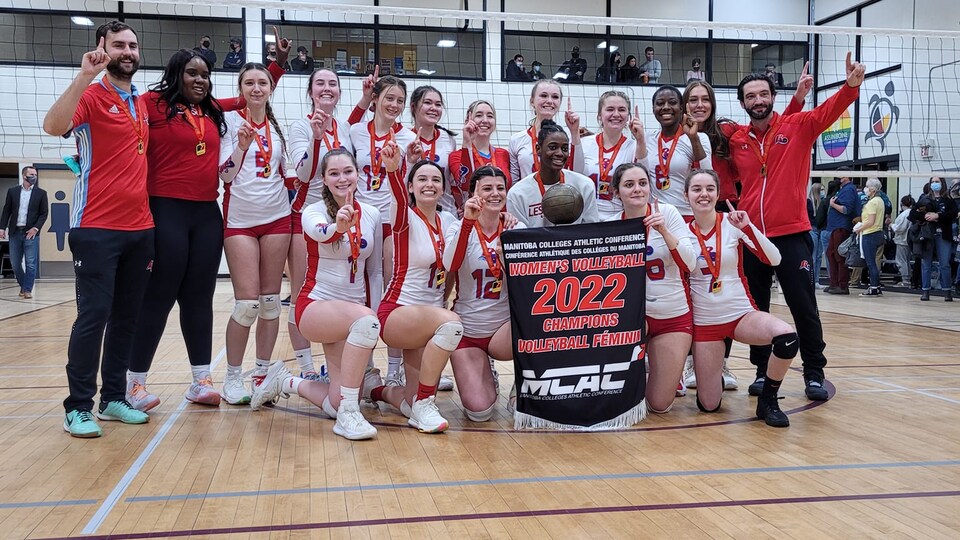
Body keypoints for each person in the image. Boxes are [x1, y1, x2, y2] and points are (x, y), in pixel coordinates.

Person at [729, 52, 865, 401]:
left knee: (803, 305)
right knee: (755, 308)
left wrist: (851, 85)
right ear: (743, 102)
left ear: (772, 97)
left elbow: (828, 112)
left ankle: (814, 372)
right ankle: (761, 372)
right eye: (750, 96)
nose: (757, 101)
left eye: (763, 94)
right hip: (751, 238)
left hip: (791, 234)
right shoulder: (737, 140)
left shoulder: (798, 126)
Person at [43, 21, 155, 437]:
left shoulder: (140, 103)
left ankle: (112, 399)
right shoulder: (90, 96)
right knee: (93, 315)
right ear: (101, 48)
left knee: (127, 318)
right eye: (119, 45)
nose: (127, 51)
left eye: (132, 45)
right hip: (95, 226)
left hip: (141, 228)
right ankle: (77, 406)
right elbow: (53, 126)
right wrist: (84, 74)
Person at [250, 148, 381, 440]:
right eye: (333, 173)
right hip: (315, 306)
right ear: (323, 179)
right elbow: (320, 232)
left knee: (336, 401)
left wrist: (375, 311)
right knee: (364, 326)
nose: (342, 178)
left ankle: (284, 381)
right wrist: (339, 227)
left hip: (353, 314)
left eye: (348, 171)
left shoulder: (371, 213)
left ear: (358, 174)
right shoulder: (313, 211)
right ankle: (349, 418)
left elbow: (374, 272)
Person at [684, 169, 797, 427]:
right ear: (687, 195)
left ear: (718, 193)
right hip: (705, 325)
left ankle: (768, 399)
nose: (704, 194)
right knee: (709, 406)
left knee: (786, 338)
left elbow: (774, 259)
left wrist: (747, 226)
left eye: (710, 189)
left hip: (740, 314)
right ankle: (711, 376)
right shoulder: (681, 230)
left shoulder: (732, 223)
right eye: (697, 189)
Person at [367, 141, 463, 433]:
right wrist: (394, 170)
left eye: (436, 179)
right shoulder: (404, 218)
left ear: (443, 190)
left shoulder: (448, 219)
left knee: (407, 401)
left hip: (428, 317)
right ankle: (424, 404)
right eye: (421, 179)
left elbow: (453, 262)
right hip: (399, 313)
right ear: (411, 187)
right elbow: (396, 197)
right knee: (452, 326)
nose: (429, 184)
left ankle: (374, 391)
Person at [217, 62, 292, 405]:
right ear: (241, 88)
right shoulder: (229, 123)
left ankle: (262, 375)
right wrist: (241, 146)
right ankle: (233, 377)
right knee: (247, 304)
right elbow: (226, 177)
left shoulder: (278, 128)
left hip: (277, 218)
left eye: (262, 82)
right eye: (250, 82)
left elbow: (287, 176)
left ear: (271, 88)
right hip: (240, 222)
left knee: (271, 303)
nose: (257, 88)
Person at [287, 68, 356, 381]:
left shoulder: (345, 126)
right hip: (309, 216)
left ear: (339, 91)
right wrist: (316, 138)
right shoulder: (301, 125)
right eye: (320, 84)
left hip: (344, 215)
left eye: (333, 84)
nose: (327, 89)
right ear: (310, 91)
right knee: (305, 292)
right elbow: (303, 174)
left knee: (341, 293)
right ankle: (306, 369)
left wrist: (368, 98)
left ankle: (337, 367)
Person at [610, 163, 696, 414]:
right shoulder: (611, 225)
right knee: (621, 401)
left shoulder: (667, 213)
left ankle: (662, 368)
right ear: (617, 192)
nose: (637, 189)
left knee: (659, 405)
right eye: (629, 185)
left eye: (642, 183)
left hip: (672, 316)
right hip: (632, 318)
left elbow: (689, 264)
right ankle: (642, 364)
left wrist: (664, 232)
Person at [348, 75, 416, 389]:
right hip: (363, 217)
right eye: (389, 98)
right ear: (375, 99)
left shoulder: (409, 137)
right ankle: (367, 364)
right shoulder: (356, 131)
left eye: (400, 100)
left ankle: (395, 368)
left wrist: (410, 163)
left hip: (392, 217)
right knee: (364, 286)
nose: (394, 105)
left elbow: (412, 185)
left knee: (393, 286)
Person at [443, 166, 518, 421]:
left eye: (500, 188)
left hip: (504, 330)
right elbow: (450, 265)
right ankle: (487, 372)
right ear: (473, 194)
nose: (495, 194)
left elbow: (528, 288)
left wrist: (508, 257)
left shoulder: (516, 229)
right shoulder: (457, 226)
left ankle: (523, 384)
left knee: (540, 321)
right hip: (469, 330)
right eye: (487, 188)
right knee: (479, 411)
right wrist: (468, 222)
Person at [507, 120, 599, 227]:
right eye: (553, 147)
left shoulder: (584, 185)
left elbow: (591, 230)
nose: (560, 153)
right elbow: (519, 238)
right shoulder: (517, 194)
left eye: (564, 148)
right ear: (538, 149)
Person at [573, 90, 647, 220]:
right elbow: (574, 175)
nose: (616, 114)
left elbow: (643, 180)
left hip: (618, 219)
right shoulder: (583, 144)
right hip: (585, 219)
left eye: (622, 110)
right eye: (610, 109)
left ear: (629, 116)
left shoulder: (634, 147)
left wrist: (641, 140)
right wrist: (574, 134)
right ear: (599, 115)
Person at [646, 86, 711, 217]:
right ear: (653, 109)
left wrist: (693, 138)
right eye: (659, 103)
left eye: (672, 102)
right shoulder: (647, 138)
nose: (665, 107)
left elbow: (708, 174)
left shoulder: (699, 138)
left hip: (687, 214)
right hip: (655, 214)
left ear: (681, 108)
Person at [508, 79, 580, 182]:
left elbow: (579, 173)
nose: (550, 101)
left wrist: (574, 132)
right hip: (528, 196)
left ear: (559, 103)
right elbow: (514, 182)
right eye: (543, 95)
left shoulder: (568, 136)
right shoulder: (517, 139)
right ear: (532, 101)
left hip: (560, 196)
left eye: (555, 97)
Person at [449, 100, 512, 214]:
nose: (485, 120)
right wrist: (467, 142)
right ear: (468, 121)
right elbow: (466, 185)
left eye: (490, 116)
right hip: (474, 218)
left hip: (501, 219)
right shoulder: (456, 156)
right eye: (478, 115)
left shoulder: (503, 154)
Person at [0, 166, 49, 299]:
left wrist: (36, 228)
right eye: (31, 174)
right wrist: (2, 228)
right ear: (24, 176)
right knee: (15, 264)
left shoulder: (41, 193)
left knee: (31, 263)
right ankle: (24, 285)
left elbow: (44, 213)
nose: (34, 176)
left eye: (35, 174)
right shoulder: (13, 191)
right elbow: (6, 210)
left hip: (31, 233)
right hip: (15, 232)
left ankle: (27, 290)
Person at [409, 86, 458, 212]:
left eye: (438, 104)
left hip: (446, 210)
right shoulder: (404, 138)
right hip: (414, 211)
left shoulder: (448, 139)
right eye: (427, 102)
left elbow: (452, 180)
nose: (434, 108)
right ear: (413, 107)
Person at [910, 177, 957, 301]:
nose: (935, 184)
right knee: (926, 263)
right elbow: (912, 214)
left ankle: (947, 291)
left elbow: (953, 214)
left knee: (945, 264)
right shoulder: (924, 199)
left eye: (937, 182)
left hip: (943, 234)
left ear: (942, 184)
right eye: (933, 182)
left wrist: (938, 216)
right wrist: (925, 216)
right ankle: (925, 291)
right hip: (927, 235)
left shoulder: (948, 200)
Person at [825, 169, 858, 295]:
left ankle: (842, 285)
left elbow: (846, 210)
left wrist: (832, 205)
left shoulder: (849, 189)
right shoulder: (842, 189)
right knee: (831, 254)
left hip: (841, 227)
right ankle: (834, 283)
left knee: (839, 256)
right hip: (835, 227)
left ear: (847, 176)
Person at [855, 178, 886, 296]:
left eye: (867, 187)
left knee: (870, 263)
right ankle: (877, 286)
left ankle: (873, 288)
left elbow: (870, 221)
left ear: (872, 189)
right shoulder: (880, 200)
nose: (865, 189)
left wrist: (859, 229)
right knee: (873, 262)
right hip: (878, 233)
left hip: (870, 234)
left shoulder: (872, 203)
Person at [890, 194, 913, 287]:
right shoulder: (912, 213)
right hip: (908, 240)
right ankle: (907, 279)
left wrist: (891, 224)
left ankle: (905, 280)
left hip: (902, 240)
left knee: (901, 261)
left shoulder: (904, 215)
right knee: (906, 260)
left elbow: (899, 228)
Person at [807, 182, 827, 288]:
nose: (823, 192)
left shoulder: (822, 202)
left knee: (819, 256)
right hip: (812, 229)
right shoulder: (809, 202)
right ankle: (811, 279)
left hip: (820, 229)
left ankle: (816, 280)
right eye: (822, 190)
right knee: (813, 257)